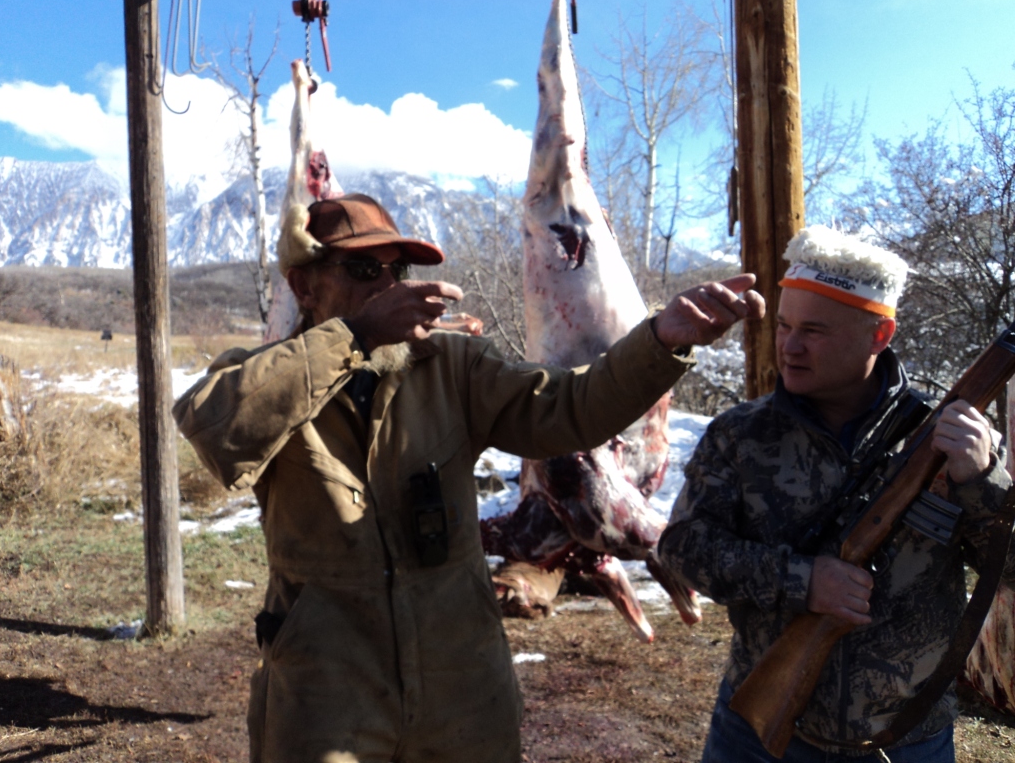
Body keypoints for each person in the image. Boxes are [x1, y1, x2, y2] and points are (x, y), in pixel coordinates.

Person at [173, 193, 765, 763]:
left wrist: (661, 341)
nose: (386, 285)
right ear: (304, 284)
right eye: (361, 268)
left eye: (395, 269)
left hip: (461, 680)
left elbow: (572, 407)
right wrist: (356, 337)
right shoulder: (264, 377)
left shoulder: (451, 366)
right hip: (324, 684)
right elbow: (220, 430)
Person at [655, 225, 1015, 763]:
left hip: (903, 741)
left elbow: (1008, 574)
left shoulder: (951, 444)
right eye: (783, 325)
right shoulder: (741, 433)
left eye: (814, 331)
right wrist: (802, 581)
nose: (789, 346)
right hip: (753, 733)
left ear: (880, 335)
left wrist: (984, 481)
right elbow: (682, 549)